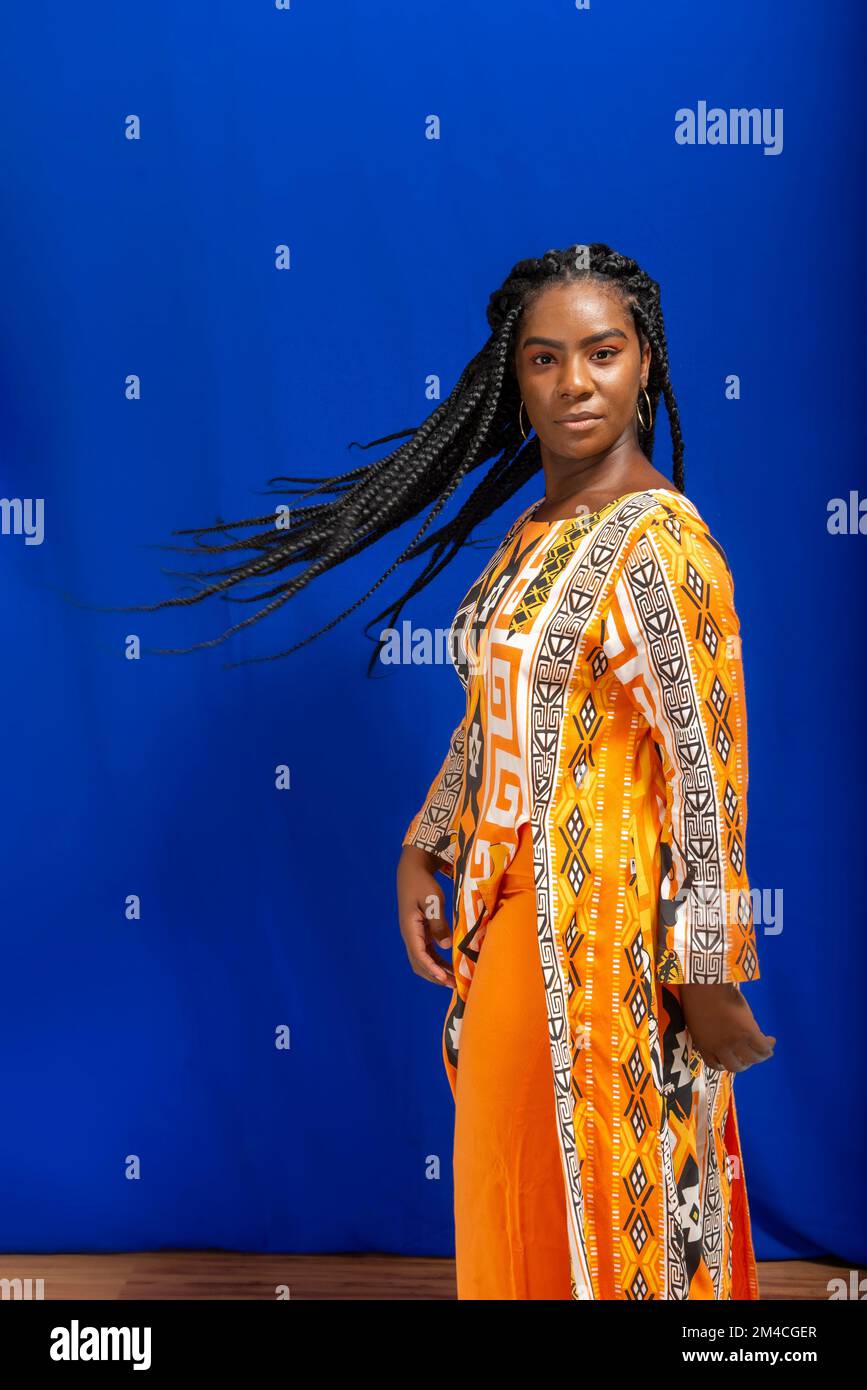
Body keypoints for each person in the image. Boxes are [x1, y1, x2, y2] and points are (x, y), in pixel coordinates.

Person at [120, 240, 775, 1301]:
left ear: (645, 362)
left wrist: (709, 967)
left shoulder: (663, 546)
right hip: (510, 910)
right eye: (546, 359)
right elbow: (495, 720)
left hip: (606, 934)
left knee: (606, 1199)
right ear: (512, 379)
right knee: (512, 1183)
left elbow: (710, 773)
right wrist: (427, 842)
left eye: (602, 353)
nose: (575, 384)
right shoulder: (534, 533)